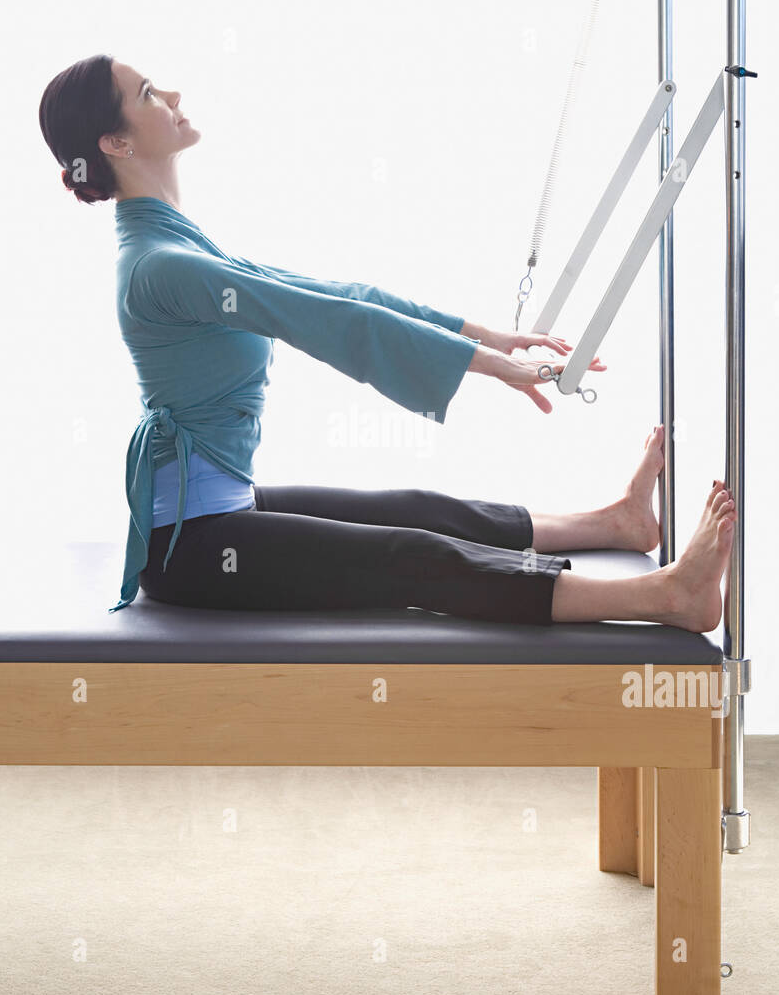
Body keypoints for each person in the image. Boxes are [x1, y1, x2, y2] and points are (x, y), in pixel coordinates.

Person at [39, 54, 735, 628]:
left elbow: (345, 298)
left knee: (417, 508)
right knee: (411, 555)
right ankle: (664, 598)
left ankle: (615, 525)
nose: (173, 93)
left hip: (218, 509)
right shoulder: (164, 265)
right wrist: (485, 366)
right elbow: (332, 324)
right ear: (115, 143)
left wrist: (480, 331)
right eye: (148, 92)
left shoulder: (174, 243)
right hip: (189, 549)